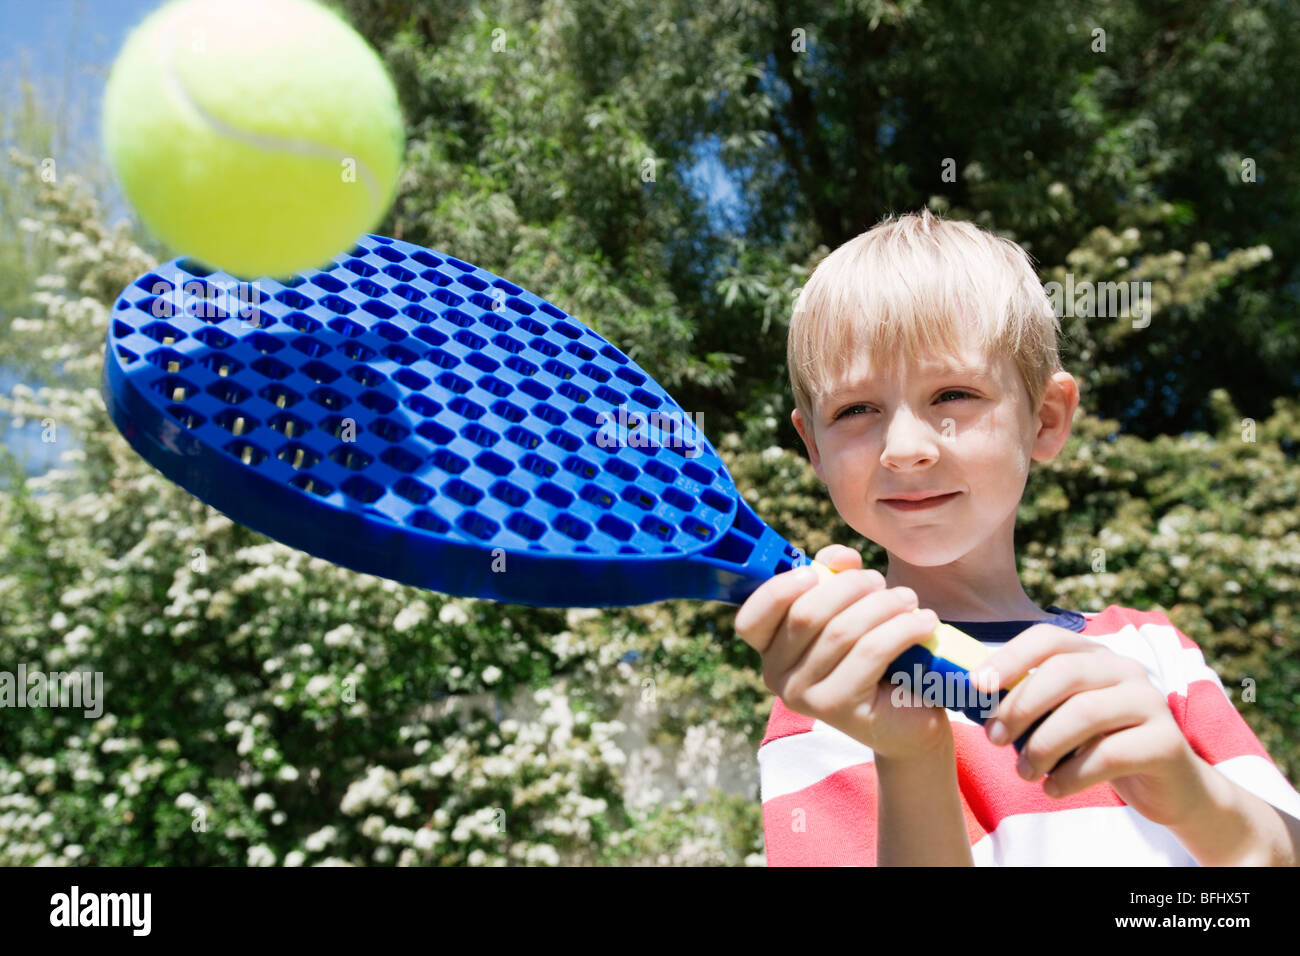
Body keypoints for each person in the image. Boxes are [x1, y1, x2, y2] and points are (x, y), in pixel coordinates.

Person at [735, 209, 1300, 866]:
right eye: (856, 410)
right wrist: (911, 759)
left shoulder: (1153, 651)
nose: (906, 448)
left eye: (953, 395)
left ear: (1047, 419)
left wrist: (1189, 792)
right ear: (814, 446)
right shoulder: (833, 690)